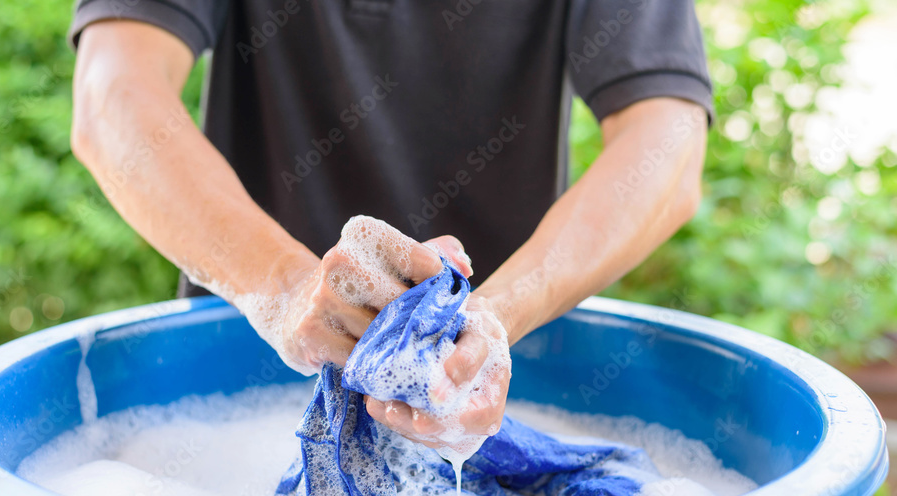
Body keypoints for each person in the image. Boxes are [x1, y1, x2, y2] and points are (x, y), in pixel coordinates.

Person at [68, 0, 710, 450]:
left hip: (493, 406)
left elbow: (666, 142)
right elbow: (115, 94)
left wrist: (494, 318)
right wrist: (282, 285)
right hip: (231, 396)